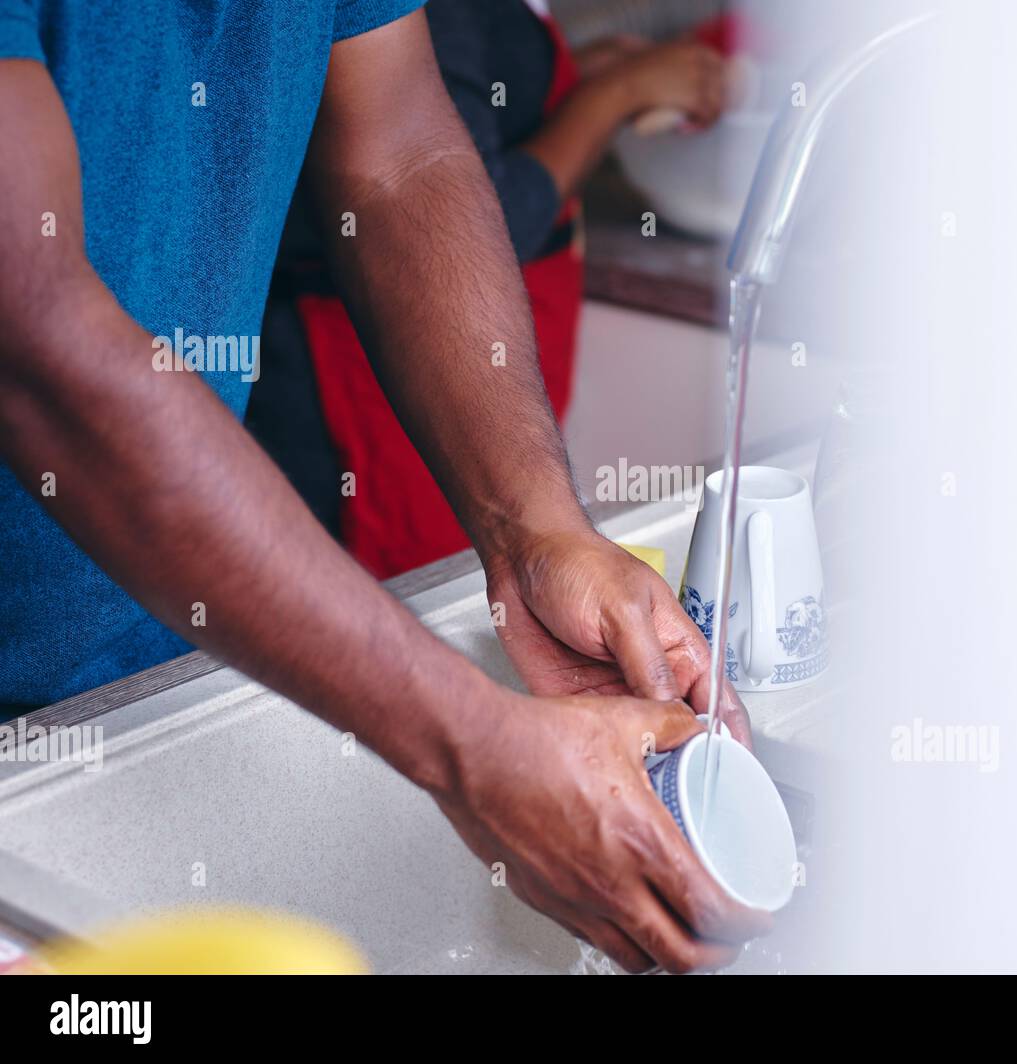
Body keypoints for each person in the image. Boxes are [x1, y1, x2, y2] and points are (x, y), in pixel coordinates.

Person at [0, 2, 764, 973]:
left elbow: (400, 150)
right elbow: (32, 330)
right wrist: (473, 746)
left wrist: (538, 529)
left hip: (138, 667)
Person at [249, 0, 729, 578]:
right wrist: (615, 95)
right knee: (422, 590)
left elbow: (479, 104)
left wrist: (585, 68)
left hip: (481, 356)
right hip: (375, 372)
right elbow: (453, 220)